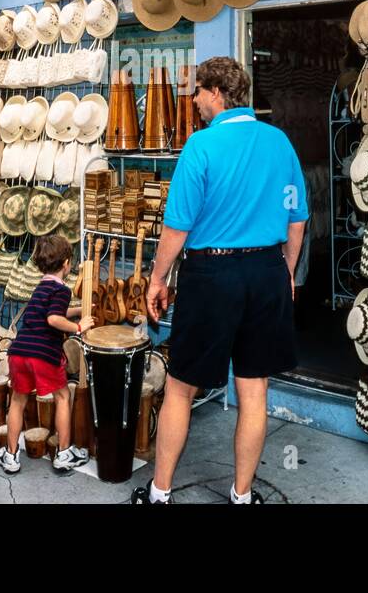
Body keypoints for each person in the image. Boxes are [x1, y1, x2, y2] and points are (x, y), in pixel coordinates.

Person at [137, 57, 307, 505]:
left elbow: (177, 229)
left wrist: (157, 280)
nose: (193, 102)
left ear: (216, 93)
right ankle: (242, 494)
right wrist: (285, 272)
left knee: (179, 386)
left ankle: (159, 492)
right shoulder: (279, 142)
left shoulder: (201, 146)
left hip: (212, 275)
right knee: (254, 390)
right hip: (267, 271)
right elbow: (297, 219)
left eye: (197, 93)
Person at [0, 233, 92, 475]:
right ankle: (63, 453)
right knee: (62, 397)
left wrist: (81, 309)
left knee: (18, 400)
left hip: (19, 352)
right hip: (42, 355)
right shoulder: (62, 290)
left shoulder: (41, 287)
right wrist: (79, 327)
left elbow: (52, 311)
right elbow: (53, 318)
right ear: (67, 264)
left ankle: (10, 455)